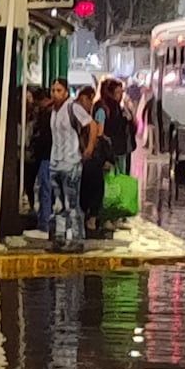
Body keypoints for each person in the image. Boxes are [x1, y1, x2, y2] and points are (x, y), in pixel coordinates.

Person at [51, 82, 98, 252]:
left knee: (71, 203)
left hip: (71, 162)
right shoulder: (54, 111)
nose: (55, 94)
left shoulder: (72, 108)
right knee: (58, 203)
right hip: (56, 162)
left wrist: (89, 148)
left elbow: (92, 125)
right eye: (53, 90)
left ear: (65, 92)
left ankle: (77, 239)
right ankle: (60, 238)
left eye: (59, 90)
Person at [75, 85, 107, 237]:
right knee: (92, 186)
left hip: (82, 158)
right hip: (83, 158)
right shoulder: (78, 110)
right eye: (90, 100)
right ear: (84, 98)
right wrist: (89, 149)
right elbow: (95, 128)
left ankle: (88, 217)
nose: (90, 104)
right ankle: (90, 218)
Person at [23, 88, 55, 240]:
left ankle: (44, 225)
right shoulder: (54, 112)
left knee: (45, 189)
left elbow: (44, 137)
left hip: (47, 155)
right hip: (51, 155)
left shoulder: (47, 113)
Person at [95, 78, 134, 174]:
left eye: (121, 92)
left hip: (118, 149)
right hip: (112, 150)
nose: (120, 95)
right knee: (117, 176)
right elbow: (101, 131)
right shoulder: (104, 108)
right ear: (110, 93)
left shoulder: (116, 107)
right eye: (117, 92)